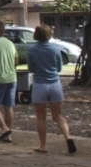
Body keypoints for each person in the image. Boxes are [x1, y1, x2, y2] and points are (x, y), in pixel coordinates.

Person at [29, 25, 76, 154]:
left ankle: (43, 145)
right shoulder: (55, 49)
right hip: (55, 84)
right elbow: (59, 68)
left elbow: (31, 68)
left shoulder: (32, 50)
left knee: (40, 117)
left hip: (40, 84)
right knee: (58, 115)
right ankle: (68, 138)